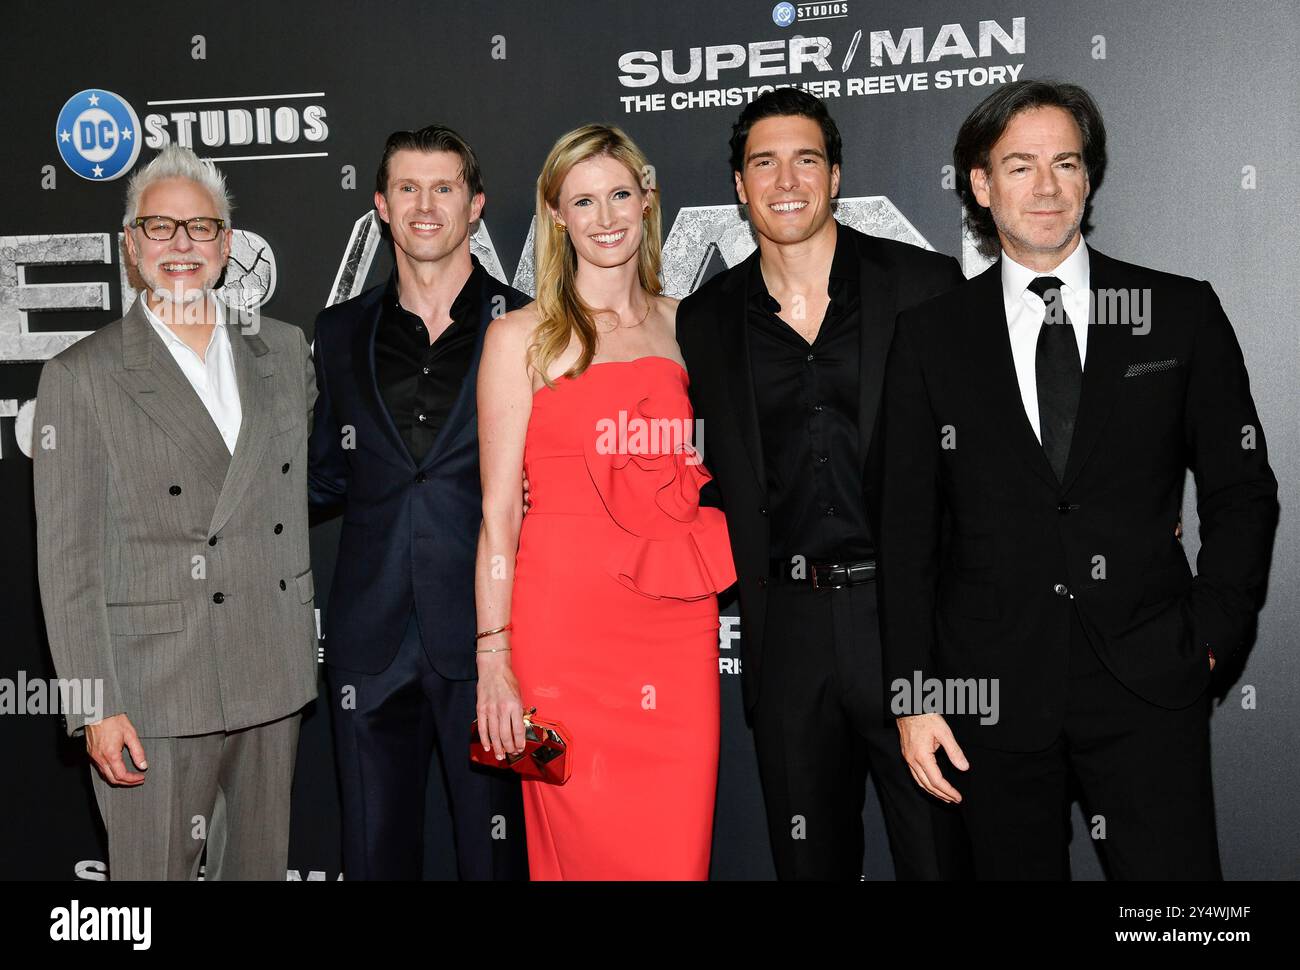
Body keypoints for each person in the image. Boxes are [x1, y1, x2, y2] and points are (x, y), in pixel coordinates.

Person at [880, 79, 1279, 879]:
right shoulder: (931, 337)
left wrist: (1210, 637)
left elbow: (1242, 492)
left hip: (1148, 680)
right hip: (984, 697)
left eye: (1066, 163)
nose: (1048, 186)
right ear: (981, 186)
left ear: (1089, 178)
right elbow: (905, 528)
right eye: (1020, 166)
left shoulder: (1177, 312)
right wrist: (915, 695)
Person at [676, 88, 968, 880]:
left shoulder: (925, 285)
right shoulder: (702, 321)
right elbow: (688, 471)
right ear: (739, 186)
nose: (786, 180)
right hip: (788, 632)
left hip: (909, 622)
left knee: (940, 859)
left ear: (835, 175)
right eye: (762, 163)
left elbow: (982, 457)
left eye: (806, 159)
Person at [33, 144, 317, 880]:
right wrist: (96, 707)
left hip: (270, 673)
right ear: (130, 247)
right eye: (160, 228)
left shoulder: (284, 353)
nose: (182, 246)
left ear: (228, 244)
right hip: (152, 690)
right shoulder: (82, 377)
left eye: (201, 228)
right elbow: (68, 563)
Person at [474, 123, 736, 880]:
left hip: (675, 628)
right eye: (582, 201)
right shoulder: (520, 338)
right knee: (581, 842)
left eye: (620, 193)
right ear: (556, 215)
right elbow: (498, 513)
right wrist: (495, 657)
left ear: (647, 201)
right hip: (565, 631)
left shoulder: (690, 325)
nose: (606, 216)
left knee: (675, 850)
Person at [308, 126, 528, 880]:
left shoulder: (531, 323)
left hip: (490, 645)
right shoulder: (338, 334)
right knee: (372, 860)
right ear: (380, 205)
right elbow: (318, 476)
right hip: (367, 647)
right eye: (407, 188)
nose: (425, 206)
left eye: (444, 188)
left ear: (475, 207)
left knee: (494, 862)